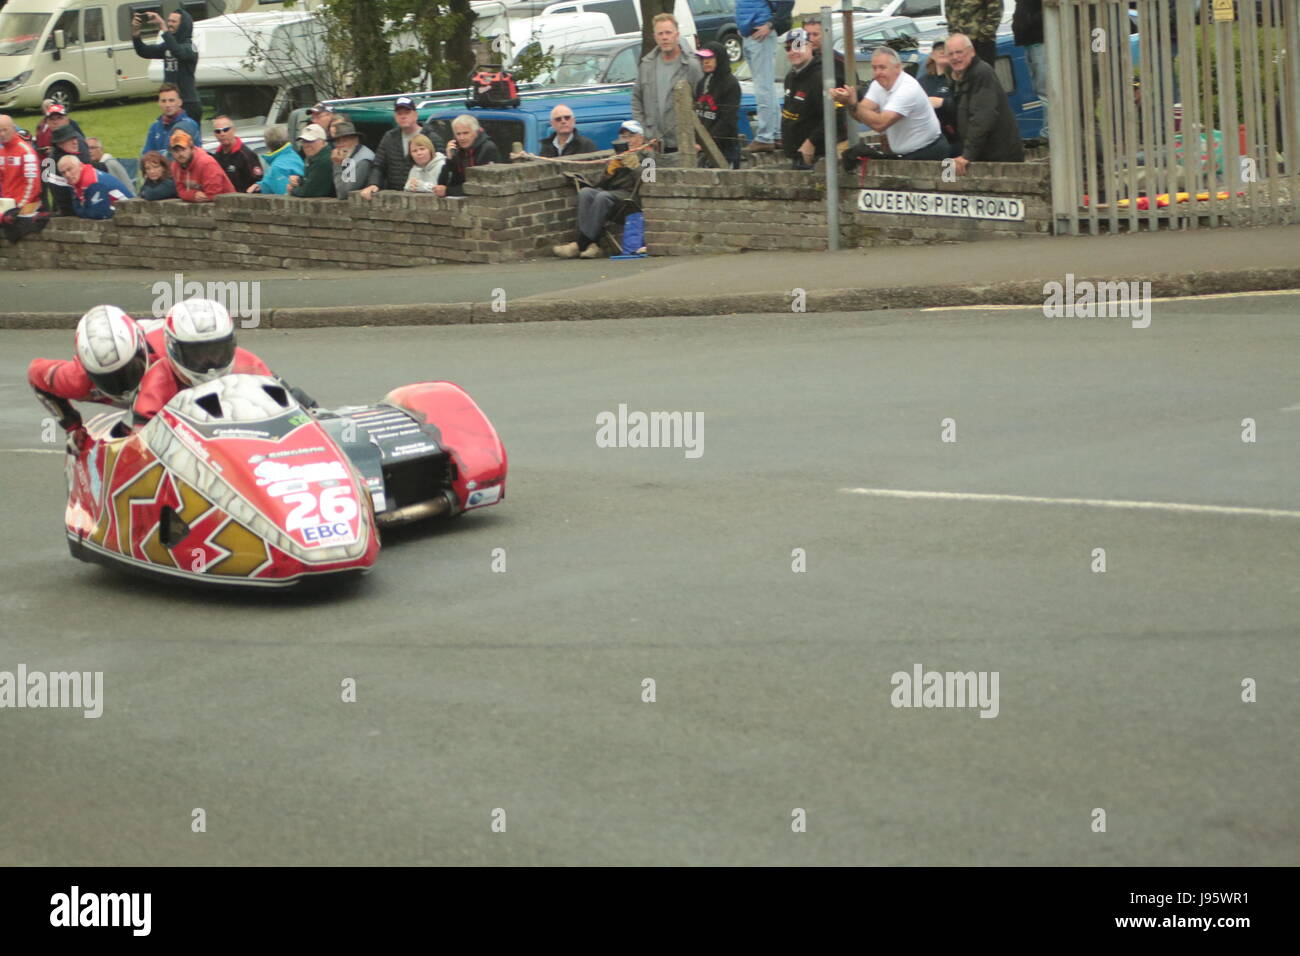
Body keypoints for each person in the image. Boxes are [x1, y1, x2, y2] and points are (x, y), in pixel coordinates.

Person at [28, 306, 159, 449]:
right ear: (88, 371)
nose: (122, 385)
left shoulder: (166, 351)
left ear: (141, 350)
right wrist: (72, 425)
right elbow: (36, 374)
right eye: (107, 379)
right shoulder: (77, 380)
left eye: (129, 370)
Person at [133, 299, 274, 424]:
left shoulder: (250, 365)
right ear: (172, 348)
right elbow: (140, 437)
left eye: (216, 352)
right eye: (197, 355)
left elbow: (282, 403)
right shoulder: (159, 379)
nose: (210, 363)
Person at [831, 48, 947, 160]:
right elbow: (860, 115)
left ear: (897, 68)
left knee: (945, 180)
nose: (877, 73)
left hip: (931, 152)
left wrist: (853, 104)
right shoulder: (878, 84)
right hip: (906, 154)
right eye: (874, 68)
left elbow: (880, 124)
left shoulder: (907, 88)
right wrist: (849, 102)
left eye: (882, 68)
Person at [553, 120, 644, 260]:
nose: (627, 140)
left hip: (631, 200)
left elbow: (650, 182)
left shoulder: (648, 157)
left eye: (631, 136)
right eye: (624, 136)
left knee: (603, 197)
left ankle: (581, 244)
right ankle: (592, 244)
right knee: (586, 192)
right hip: (613, 196)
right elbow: (599, 184)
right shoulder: (617, 157)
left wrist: (635, 167)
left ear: (640, 138)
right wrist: (609, 172)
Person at [946, 33, 1025, 172]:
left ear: (972, 52)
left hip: (1001, 157)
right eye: (950, 54)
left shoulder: (981, 72)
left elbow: (982, 116)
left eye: (959, 52)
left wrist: (967, 155)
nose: (955, 57)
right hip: (983, 155)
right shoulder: (958, 76)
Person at [632, 14, 703, 153]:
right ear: (655, 36)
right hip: (654, 144)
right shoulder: (646, 65)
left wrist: (699, 140)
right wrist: (644, 133)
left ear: (677, 35)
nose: (665, 37)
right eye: (660, 33)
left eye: (668, 33)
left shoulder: (691, 65)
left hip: (685, 145)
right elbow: (637, 100)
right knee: (650, 175)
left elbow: (702, 103)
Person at [781, 29, 844, 169]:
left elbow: (836, 114)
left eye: (798, 45)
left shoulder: (821, 78)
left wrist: (811, 142)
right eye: (788, 48)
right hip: (795, 155)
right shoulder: (790, 77)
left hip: (817, 156)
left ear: (810, 46)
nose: (793, 51)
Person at [131, 9, 201, 122]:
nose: (169, 24)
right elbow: (143, 51)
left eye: (174, 21)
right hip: (171, 104)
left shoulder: (190, 47)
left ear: (183, 25)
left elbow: (178, 51)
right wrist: (136, 32)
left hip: (188, 104)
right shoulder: (167, 46)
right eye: (168, 21)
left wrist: (162, 26)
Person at [359, 97, 436, 198]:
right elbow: (378, 165)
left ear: (416, 115)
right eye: (399, 113)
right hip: (395, 196)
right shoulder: (389, 137)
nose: (403, 116)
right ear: (395, 117)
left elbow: (440, 165)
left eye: (407, 112)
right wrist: (374, 184)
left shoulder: (431, 137)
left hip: (425, 196)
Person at [737, 0, 780, 152]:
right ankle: (775, 133)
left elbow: (787, 2)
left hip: (760, 36)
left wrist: (770, 25)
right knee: (765, 86)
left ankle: (765, 137)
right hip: (750, 35)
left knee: (763, 87)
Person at [693, 43, 741, 168]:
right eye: (703, 59)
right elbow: (696, 115)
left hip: (725, 147)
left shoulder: (731, 84)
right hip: (703, 148)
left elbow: (728, 120)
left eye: (710, 58)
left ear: (719, 58)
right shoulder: (701, 83)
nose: (706, 62)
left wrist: (706, 142)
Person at [0, 114, 44, 243]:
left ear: (13, 129)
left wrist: (18, 207)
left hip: (26, 205)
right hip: (8, 204)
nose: (2, 134)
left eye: (5, 130)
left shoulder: (26, 151)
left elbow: (33, 185)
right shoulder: (2, 152)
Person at [435, 115, 500, 198]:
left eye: (466, 133)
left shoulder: (487, 148)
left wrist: (448, 191)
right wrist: (449, 159)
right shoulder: (458, 150)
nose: (462, 138)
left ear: (476, 133)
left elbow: (480, 186)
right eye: (458, 134)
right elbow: (442, 184)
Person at [1012, 0, 1047, 142]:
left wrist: (1030, 21)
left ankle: (1050, 133)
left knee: (1046, 89)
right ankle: (1048, 131)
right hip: (1028, 42)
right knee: (1039, 88)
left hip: (1040, 41)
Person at [57, 156, 134, 219]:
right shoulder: (75, 180)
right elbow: (79, 210)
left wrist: (84, 211)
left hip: (130, 212)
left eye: (70, 169)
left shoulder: (91, 180)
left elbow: (95, 214)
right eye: (63, 172)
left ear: (80, 166)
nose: (67, 175)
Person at [169, 129, 235, 203]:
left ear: (192, 148)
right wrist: (192, 195)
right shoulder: (175, 166)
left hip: (227, 204)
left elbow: (213, 194)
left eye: (183, 149)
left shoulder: (206, 163)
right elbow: (180, 191)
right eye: (176, 151)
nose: (180, 154)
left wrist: (188, 195)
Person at [142, 84, 200, 157]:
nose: (167, 105)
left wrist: (157, 157)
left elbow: (181, 156)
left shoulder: (189, 125)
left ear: (180, 102)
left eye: (171, 100)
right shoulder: (155, 126)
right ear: (159, 103)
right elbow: (145, 155)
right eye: (163, 101)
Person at [919, 41, 958, 148]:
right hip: (929, 142)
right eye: (938, 49)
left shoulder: (958, 79)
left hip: (954, 141)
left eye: (945, 49)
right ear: (932, 55)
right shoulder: (922, 81)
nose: (942, 52)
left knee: (948, 165)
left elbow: (966, 106)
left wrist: (942, 102)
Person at [208, 116, 263, 192]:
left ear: (233, 130)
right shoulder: (216, 157)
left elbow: (258, 184)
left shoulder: (246, 155)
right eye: (218, 131)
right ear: (215, 134)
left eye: (225, 130)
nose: (222, 134)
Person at [945, 0, 1002, 70]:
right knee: (960, 77)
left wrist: (983, 37)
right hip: (958, 44)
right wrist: (953, 35)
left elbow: (995, 13)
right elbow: (949, 11)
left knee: (982, 75)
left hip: (981, 43)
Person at [248, 125, 302, 195]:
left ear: (267, 144)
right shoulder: (293, 155)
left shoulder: (277, 168)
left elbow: (283, 197)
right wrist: (261, 185)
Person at [329, 121, 374, 199]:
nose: (340, 145)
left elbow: (343, 194)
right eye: (337, 141)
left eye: (345, 140)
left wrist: (337, 164)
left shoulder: (363, 160)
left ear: (355, 140)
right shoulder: (349, 157)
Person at [287, 124, 334, 198]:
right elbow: (312, 181)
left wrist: (293, 189)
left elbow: (309, 192)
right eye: (303, 141)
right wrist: (299, 180)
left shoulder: (324, 160)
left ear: (322, 142)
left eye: (310, 141)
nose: (306, 145)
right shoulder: (314, 157)